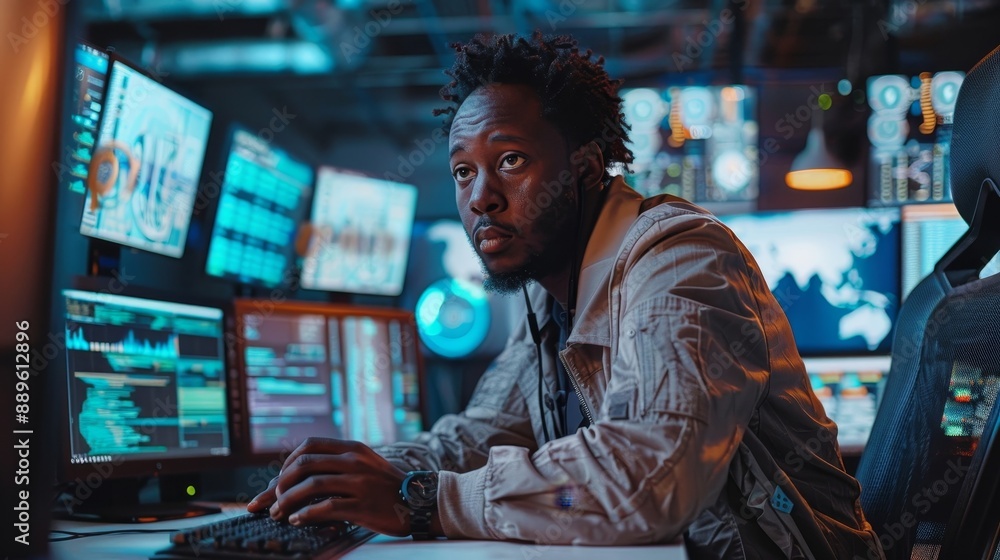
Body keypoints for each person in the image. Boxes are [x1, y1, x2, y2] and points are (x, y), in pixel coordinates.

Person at [248, 32, 885, 560]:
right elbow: (481, 433)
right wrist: (357, 477)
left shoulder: (680, 260)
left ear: (584, 166)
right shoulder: (555, 297)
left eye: (512, 161)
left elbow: (651, 479)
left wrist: (424, 497)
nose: (480, 198)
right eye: (463, 171)